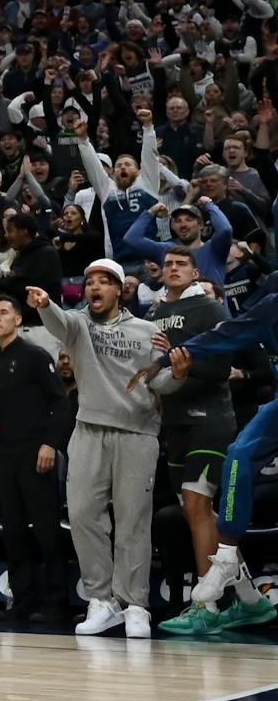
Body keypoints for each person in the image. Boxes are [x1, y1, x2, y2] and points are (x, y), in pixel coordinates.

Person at [127, 277, 278, 634]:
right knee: (238, 458)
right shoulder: (271, 303)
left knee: (199, 501)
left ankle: (234, 594)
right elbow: (221, 337)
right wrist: (162, 359)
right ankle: (227, 560)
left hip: (210, 418)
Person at [26, 267, 157, 639]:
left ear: (119, 290)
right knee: (82, 514)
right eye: (89, 283)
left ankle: (135, 604)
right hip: (87, 430)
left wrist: (176, 372)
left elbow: (162, 382)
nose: (94, 287)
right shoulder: (79, 324)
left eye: (103, 282)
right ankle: (102, 600)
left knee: (132, 520)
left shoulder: (147, 332)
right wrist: (45, 304)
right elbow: (59, 322)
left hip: (137, 432)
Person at [143, 248, 235, 636]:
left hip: (209, 418)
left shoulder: (210, 310)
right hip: (174, 422)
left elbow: (222, 366)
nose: (173, 269)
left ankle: (206, 605)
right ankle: (247, 597)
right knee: (197, 511)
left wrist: (185, 364)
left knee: (198, 504)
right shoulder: (153, 315)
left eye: (181, 264)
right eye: (168, 265)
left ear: (196, 272)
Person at [0, 295, 70, 622]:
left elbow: (61, 402)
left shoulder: (35, 355)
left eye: (4, 312)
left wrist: (50, 444)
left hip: (36, 452)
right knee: (14, 531)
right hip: (4, 453)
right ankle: (23, 601)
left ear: (18, 319)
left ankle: (57, 603)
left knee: (46, 530)